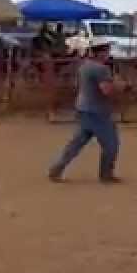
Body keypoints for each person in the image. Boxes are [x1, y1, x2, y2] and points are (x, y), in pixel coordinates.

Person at [49, 41, 122, 183]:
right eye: (107, 51)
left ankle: (57, 169)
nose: (108, 54)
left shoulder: (84, 66)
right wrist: (119, 86)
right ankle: (105, 174)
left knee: (76, 143)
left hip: (83, 108)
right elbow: (106, 90)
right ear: (101, 52)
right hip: (98, 111)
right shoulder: (101, 69)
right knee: (111, 144)